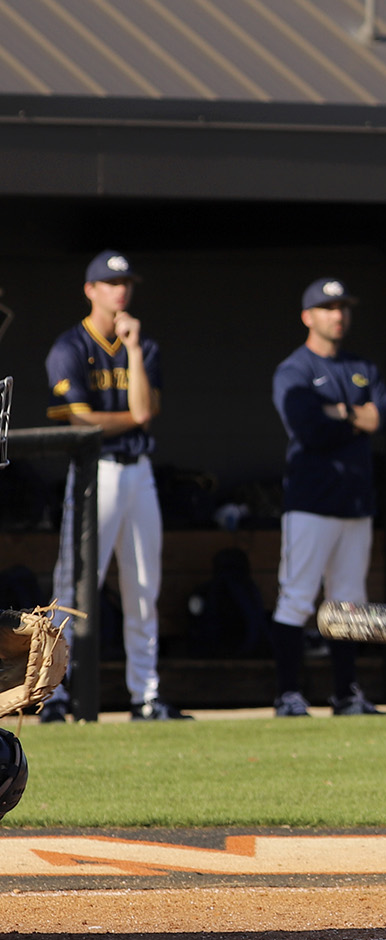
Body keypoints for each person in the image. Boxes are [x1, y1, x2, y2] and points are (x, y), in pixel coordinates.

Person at [42, 250, 188, 721]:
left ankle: (144, 694)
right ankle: (55, 690)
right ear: (90, 289)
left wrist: (134, 351)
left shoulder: (143, 346)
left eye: (124, 282)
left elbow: (148, 409)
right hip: (94, 471)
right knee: (75, 584)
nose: (119, 290)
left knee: (144, 585)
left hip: (138, 471)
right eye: (109, 282)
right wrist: (133, 418)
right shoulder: (69, 346)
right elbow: (84, 422)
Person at [268, 278, 386, 716]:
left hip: (355, 505)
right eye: (327, 308)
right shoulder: (295, 369)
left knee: (349, 603)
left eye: (342, 307)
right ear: (308, 316)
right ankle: (288, 694)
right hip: (309, 503)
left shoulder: (361, 365)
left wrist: (341, 413)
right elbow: (308, 427)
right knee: (297, 598)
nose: (337, 315)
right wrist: (356, 416)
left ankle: (346, 694)